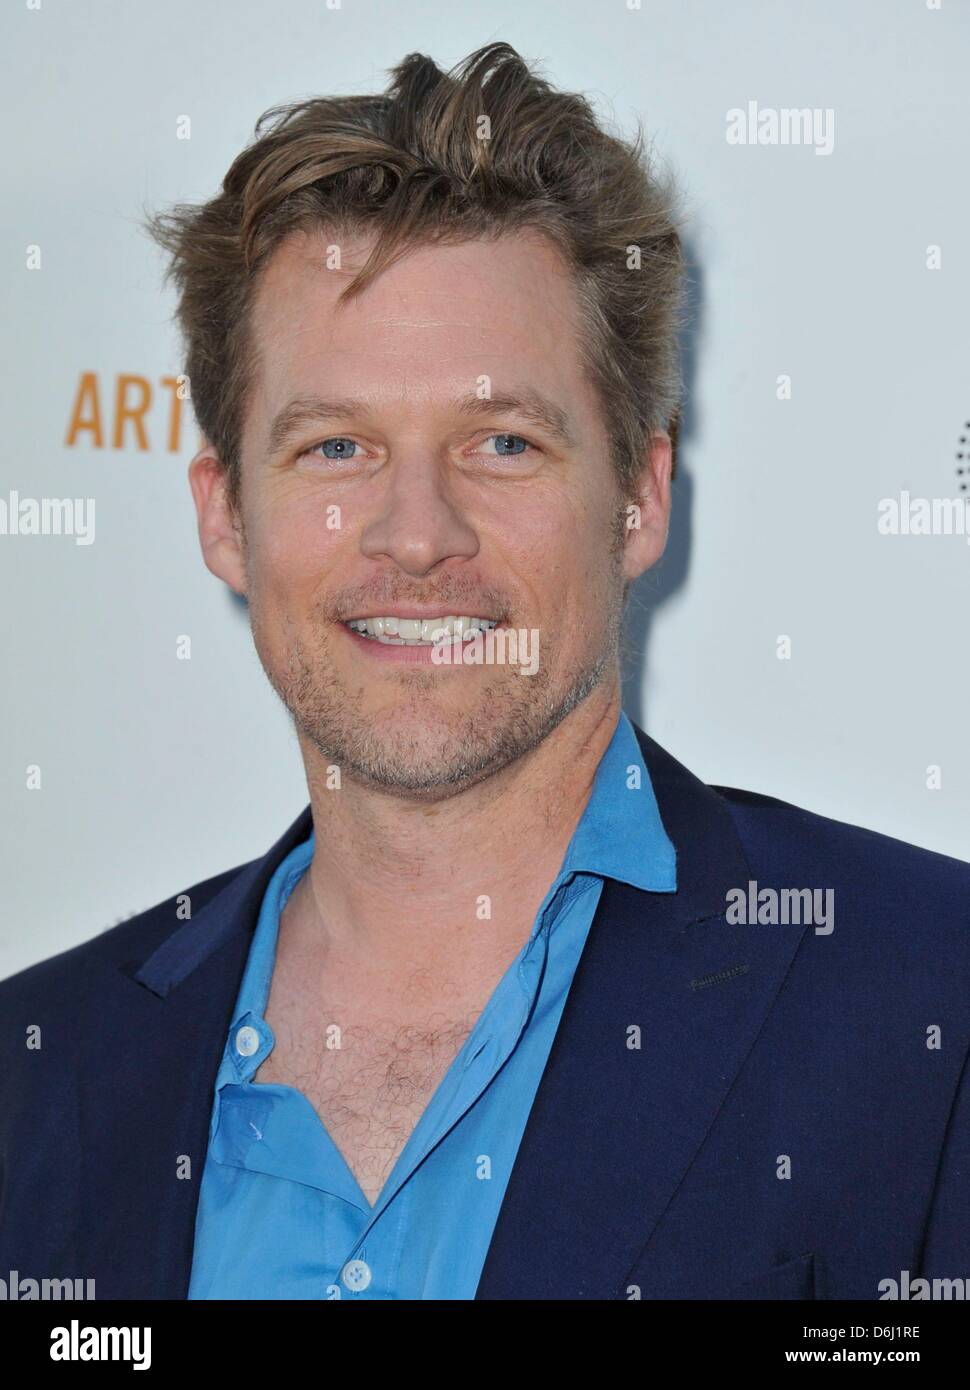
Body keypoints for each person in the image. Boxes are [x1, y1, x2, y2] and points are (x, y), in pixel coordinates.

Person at [2, 41, 969, 1303]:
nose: (417, 533)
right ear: (225, 516)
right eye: (337, 445)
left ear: (637, 496)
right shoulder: (38, 1073)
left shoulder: (923, 1003)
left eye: (501, 441)